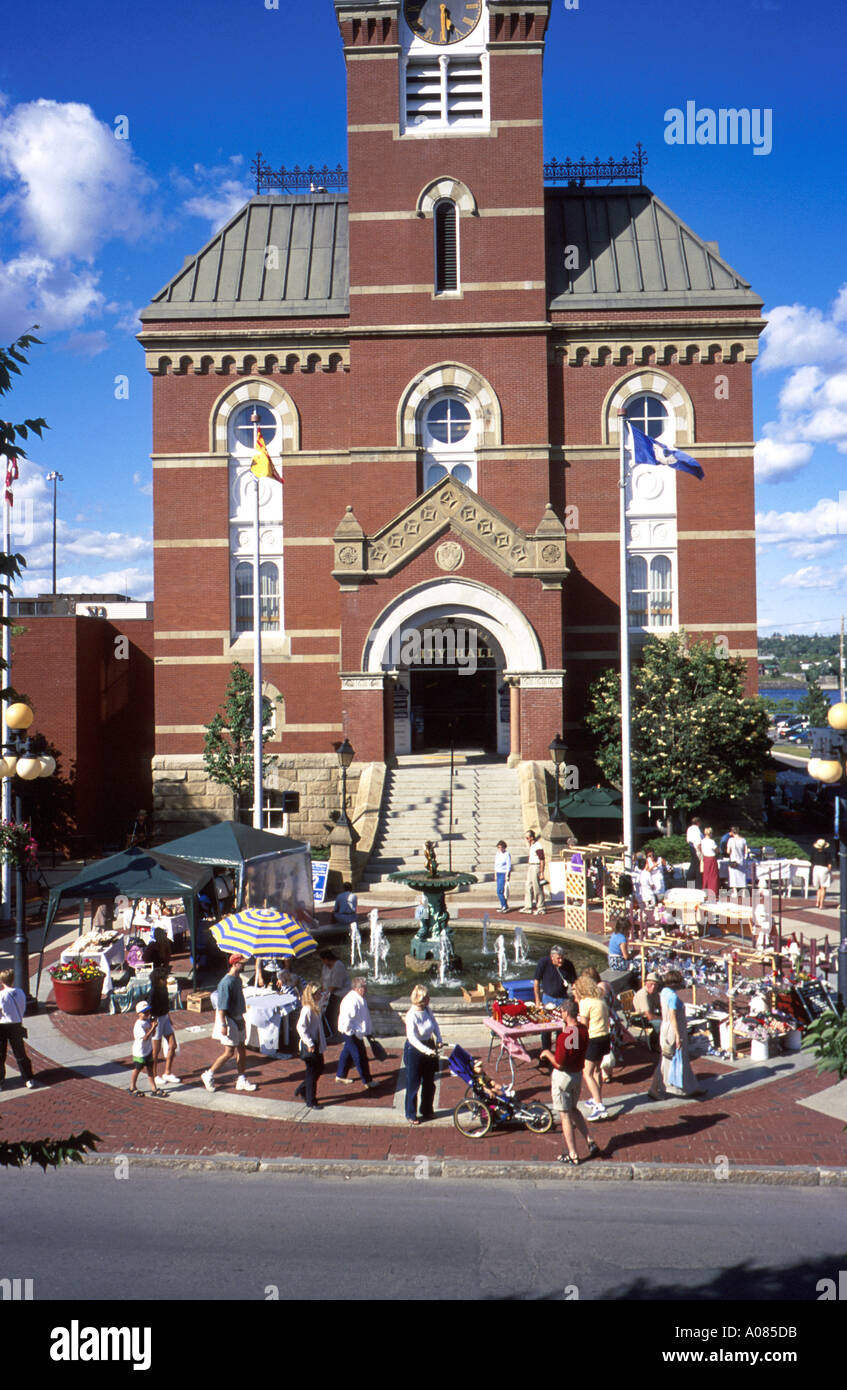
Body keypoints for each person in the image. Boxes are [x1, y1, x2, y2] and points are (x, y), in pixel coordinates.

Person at [539, 998, 601, 1166]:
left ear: (565, 1013)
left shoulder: (565, 1037)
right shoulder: (582, 1030)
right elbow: (572, 1041)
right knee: (574, 1109)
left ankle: (573, 1154)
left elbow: (560, 1062)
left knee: (565, 1115)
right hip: (577, 1075)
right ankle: (589, 1140)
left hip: (563, 1077)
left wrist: (547, 1053)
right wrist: (565, 1029)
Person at [201, 955, 257, 1094]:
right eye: (242, 963)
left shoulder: (237, 979)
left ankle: (241, 1078)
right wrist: (224, 1025)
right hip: (230, 1020)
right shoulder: (226, 983)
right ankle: (209, 1074)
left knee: (242, 1049)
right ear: (235, 964)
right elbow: (221, 1007)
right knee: (229, 1052)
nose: (244, 966)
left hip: (239, 1018)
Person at [647, 969, 705, 1100]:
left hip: (665, 1028)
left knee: (669, 1058)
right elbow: (673, 1016)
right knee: (672, 1059)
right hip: (674, 1030)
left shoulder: (664, 992)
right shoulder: (672, 996)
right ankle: (659, 1088)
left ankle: (691, 1087)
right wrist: (678, 1036)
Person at [143, 927, 180, 1088]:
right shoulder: (153, 991)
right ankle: (155, 1074)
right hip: (157, 1019)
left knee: (173, 1045)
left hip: (164, 1017)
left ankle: (167, 1072)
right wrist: (152, 1022)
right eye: (164, 978)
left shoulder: (163, 988)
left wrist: (168, 1016)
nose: (166, 980)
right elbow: (149, 1007)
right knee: (156, 1050)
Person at [572, 974, 610, 1120]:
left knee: (586, 1073)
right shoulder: (600, 1000)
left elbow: (583, 1026)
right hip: (604, 1038)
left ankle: (599, 1106)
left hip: (593, 1039)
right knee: (596, 1071)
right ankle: (596, 1097)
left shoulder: (585, 1003)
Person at [403, 984, 442, 1125]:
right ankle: (411, 1113)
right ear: (420, 998)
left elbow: (435, 1025)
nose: (429, 999)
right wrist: (427, 1051)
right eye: (427, 997)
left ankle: (427, 1109)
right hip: (414, 1050)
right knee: (413, 1083)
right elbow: (412, 1038)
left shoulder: (427, 1010)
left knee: (429, 1082)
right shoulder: (411, 1015)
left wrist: (439, 1039)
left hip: (428, 1045)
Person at [533, 944, 576, 1055]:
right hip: (548, 999)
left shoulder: (569, 965)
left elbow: (575, 984)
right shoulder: (543, 963)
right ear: (552, 957)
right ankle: (546, 1053)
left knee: (563, 1028)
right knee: (546, 1029)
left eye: (562, 957)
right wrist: (537, 1002)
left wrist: (576, 1000)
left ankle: (561, 1053)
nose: (561, 960)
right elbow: (536, 982)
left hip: (563, 999)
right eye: (558, 958)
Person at [335, 977, 375, 1090]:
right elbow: (347, 1019)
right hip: (351, 1033)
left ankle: (340, 1075)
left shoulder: (358, 998)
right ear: (357, 988)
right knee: (360, 1056)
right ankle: (367, 1080)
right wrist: (352, 1033)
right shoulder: (352, 1000)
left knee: (347, 1053)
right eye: (364, 987)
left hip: (354, 1032)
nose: (366, 989)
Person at [0, 968, 36, 1091]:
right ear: (13, 980)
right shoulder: (20, 992)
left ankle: (1, 1081)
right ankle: (28, 1078)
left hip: (2, 1027)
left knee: (1, 1055)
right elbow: (22, 1008)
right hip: (16, 1025)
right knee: (20, 1053)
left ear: (2, 981)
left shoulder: (1, 995)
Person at [294, 983, 327, 1109]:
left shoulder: (315, 1006)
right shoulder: (307, 1009)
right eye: (318, 993)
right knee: (312, 1073)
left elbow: (324, 997)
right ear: (312, 995)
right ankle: (310, 1100)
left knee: (319, 1069)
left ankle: (303, 1089)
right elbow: (300, 1027)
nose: (320, 994)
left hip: (316, 1045)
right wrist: (309, 1043)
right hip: (311, 1046)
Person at [129, 1001, 161, 1097]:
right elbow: (145, 1037)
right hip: (140, 1052)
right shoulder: (138, 1025)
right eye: (144, 1012)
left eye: (148, 1011)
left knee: (150, 1069)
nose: (147, 1013)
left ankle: (153, 1088)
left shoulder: (147, 1022)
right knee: (137, 1069)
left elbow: (153, 1034)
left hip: (148, 1050)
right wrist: (152, 1027)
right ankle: (132, 1086)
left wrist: (154, 1026)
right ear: (139, 1014)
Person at [319, 949, 352, 1042]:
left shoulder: (338, 965)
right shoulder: (325, 967)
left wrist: (325, 994)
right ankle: (328, 1032)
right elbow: (323, 981)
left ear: (326, 959)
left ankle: (335, 1033)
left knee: (331, 1011)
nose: (323, 962)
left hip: (340, 993)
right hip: (329, 992)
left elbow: (337, 984)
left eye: (323, 960)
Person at [522, 831, 547, 914]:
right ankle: (528, 906)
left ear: (532, 837)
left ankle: (541, 907)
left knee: (537, 887)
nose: (526, 839)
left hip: (536, 866)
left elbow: (542, 859)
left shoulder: (537, 846)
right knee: (528, 886)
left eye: (527, 838)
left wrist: (541, 872)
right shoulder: (532, 845)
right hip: (531, 866)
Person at [725, 825, 749, 900]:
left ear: (732, 832)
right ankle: (744, 891)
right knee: (743, 875)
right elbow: (746, 850)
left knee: (733, 876)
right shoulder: (743, 840)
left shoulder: (731, 840)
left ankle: (735, 892)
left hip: (733, 860)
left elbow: (728, 851)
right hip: (741, 860)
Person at [811, 839, 833, 910]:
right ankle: (821, 904)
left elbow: (812, 862)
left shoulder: (814, 853)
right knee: (823, 887)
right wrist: (829, 872)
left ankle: (817, 902)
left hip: (816, 868)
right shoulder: (827, 853)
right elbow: (829, 865)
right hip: (824, 869)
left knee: (818, 887)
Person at [700, 825, 720, 900]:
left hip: (705, 858)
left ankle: (705, 891)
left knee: (706, 875)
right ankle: (713, 892)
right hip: (712, 858)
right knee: (713, 876)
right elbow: (717, 850)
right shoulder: (712, 841)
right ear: (710, 833)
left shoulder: (702, 841)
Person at [494, 840, 512, 913]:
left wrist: (507, 875)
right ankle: (504, 905)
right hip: (498, 873)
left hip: (503, 873)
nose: (500, 849)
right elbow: (495, 864)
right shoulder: (497, 854)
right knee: (500, 890)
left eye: (501, 847)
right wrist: (495, 874)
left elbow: (508, 866)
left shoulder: (507, 854)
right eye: (498, 847)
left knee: (499, 891)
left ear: (504, 847)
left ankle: (504, 905)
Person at [686, 816, 703, 889]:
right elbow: (698, 843)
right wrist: (701, 852)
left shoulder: (689, 828)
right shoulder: (697, 830)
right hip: (696, 849)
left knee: (693, 866)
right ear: (698, 822)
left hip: (691, 847)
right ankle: (698, 886)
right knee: (698, 868)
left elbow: (688, 840)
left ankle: (690, 886)